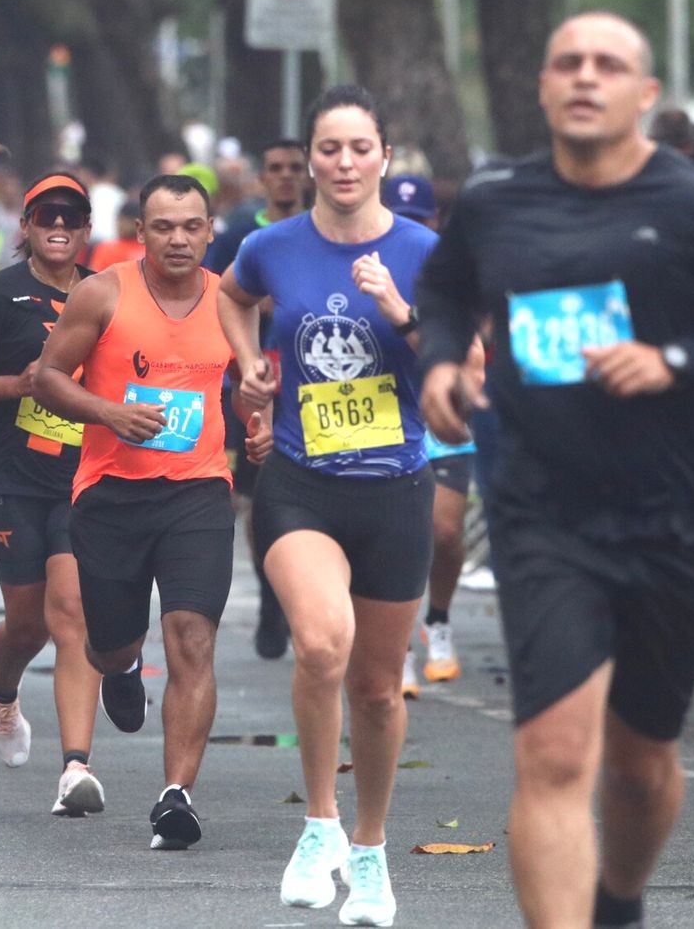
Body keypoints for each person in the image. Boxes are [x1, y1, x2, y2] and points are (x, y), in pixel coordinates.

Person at [414, 12, 694, 929]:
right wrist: (439, 359)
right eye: (568, 63)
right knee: (553, 754)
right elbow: (445, 287)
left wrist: (673, 359)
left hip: (669, 519)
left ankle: (621, 898)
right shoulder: (496, 198)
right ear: (544, 87)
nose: (586, 77)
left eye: (608, 64)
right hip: (542, 515)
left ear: (644, 94)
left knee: (639, 767)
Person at [219, 87, 437, 925]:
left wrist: (399, 312)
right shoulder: (272, 246)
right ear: (307, 159)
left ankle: (372, 851)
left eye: (360, 148)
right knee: (321, 645)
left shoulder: (423, 250)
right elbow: (232, 298)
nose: (344, 164)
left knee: (380, 690)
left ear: (385, 156)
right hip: (301, 481)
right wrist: (250, 368)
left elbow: (472, 361)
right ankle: (319, 824)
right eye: (329, 149)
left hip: (397, 487)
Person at [35, 173, 266, 851]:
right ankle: (122, 666)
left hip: (197, 491)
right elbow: (47, 378)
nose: (178, 238)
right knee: (110, 643)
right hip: (110, 495)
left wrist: (257, 420)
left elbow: (248, 380)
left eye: (191, 225)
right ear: (141, 232)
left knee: (193, 638)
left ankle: (176, 795)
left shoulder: (232, 299)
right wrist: (108, 412)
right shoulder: (102, 293)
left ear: (209, 231)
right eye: (163, 225)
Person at [0, 168, 106, 813]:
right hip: (9, 477)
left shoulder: (105, 293)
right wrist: (19, 385)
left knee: (73, 615)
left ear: (87, 229)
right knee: (27, 624)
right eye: (46, 217)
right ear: (26, 228)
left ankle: (75, 769)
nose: (59, 227)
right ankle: (3, 695)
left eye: (71, 218)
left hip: (82, 477)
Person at [206, 138, 311, 660]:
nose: (287, 176)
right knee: (262, 493)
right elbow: (212, 294)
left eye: (296, 167)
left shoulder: (323, 229)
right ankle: (273, 600)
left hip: (318, 383)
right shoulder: (245, 231)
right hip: (253, 379)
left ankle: (305, 596)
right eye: (277, 168)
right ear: (262, 177)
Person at [383, 174, 470, 698]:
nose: (413, 230)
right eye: (403, 220)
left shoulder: (450, 271)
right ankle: (400, 648)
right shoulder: (369, 271)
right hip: (388, 420)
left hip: (443, 421)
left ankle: (437, 620)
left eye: (421, 221)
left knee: (444, 533)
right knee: (402, 540)